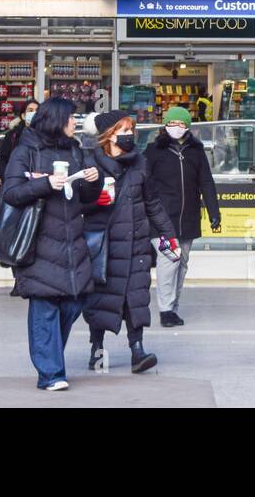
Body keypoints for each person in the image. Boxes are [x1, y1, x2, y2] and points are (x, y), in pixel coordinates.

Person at [2, 97, 101, 391]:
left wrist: (92, 181)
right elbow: (11, 193)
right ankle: (51, 373)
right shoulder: (26, 150)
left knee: (73, 302)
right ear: (58, 120)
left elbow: (86, 199)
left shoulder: (75, 150)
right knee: (44, 305)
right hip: (38, 240)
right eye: (72, 118)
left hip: (71, 240)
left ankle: (50, 355)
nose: (75, 123)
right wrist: (45, 184)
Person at [82, 111, 178, 374]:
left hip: (136, 243)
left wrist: (168, 235)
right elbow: (75, 201)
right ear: (107, 135)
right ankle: (97, 349)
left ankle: (138, 350)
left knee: (135, 296)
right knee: (100, 299)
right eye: (121, 129)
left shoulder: (140, 163)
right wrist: (93, 201)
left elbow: (153, 203)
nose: (127, 134)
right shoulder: (90, 163)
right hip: (104, 245)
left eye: (130, 129)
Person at [144, 106, 220, 327]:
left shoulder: (196, 152)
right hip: (162, 219)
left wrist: (214, 212)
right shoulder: (153, 151)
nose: (176, 127)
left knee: (181, 263)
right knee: (169, 260)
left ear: (187, 126)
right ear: (164, 125)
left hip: (188, 217)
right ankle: (165, 310)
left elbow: (206, 181)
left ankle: (173, 307)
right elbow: (143, 181)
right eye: (172, 123)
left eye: (181, 124)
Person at [0, 100, 38, 180]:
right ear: (23, 116)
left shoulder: (46, 135)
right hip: (15, 184)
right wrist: (7, 180)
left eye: (37, 111)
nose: (34, 113)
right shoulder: (13, 135)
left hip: (38, 185)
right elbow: (1, 160)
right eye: (30, 110)